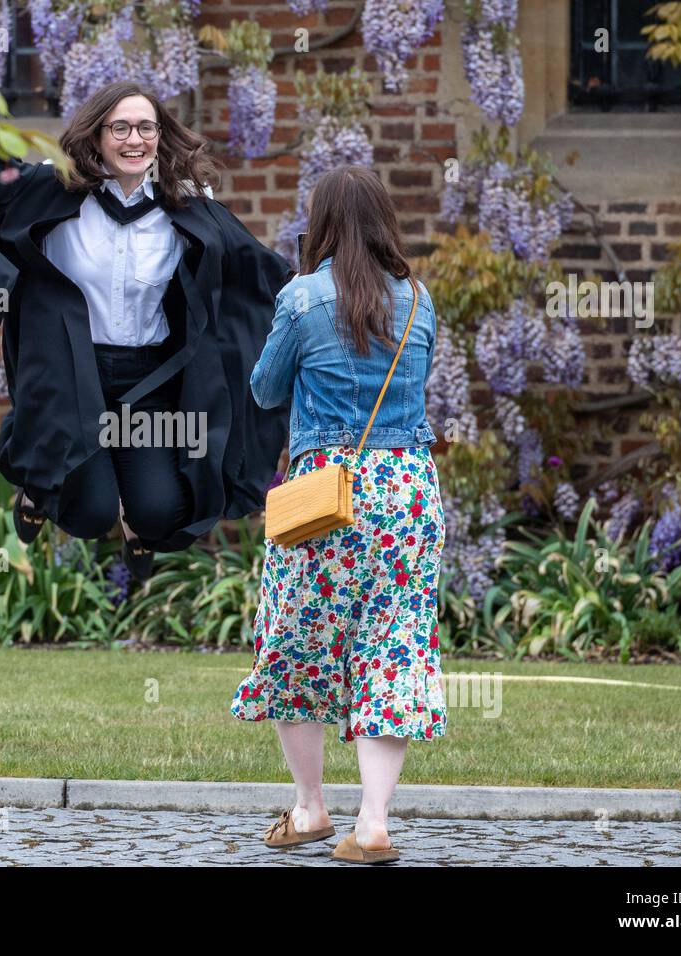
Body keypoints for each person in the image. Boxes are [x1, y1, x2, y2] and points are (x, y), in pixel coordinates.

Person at [0, 80, 293, 581]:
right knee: (90, 512)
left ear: (160, 136)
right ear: (97, 134)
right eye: (120, 127)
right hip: (70, 374)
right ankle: (37, 484)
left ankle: (134, 527)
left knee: (158, 512)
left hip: (147, 388)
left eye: (146, 127)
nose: (134, 139)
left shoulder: (188, 209)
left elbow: (261, 275)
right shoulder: (48, 189)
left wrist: (327, 293)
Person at [230, 164, 447, 864]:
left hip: (325, 494)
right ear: (385, 221)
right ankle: (375, 823)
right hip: (408, 493)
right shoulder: (418, 299)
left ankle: (311, 809)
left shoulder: (300, 296)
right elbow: (417, 381)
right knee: (395, 647)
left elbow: (264, 391)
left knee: (297, 646)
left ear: (318, 224)